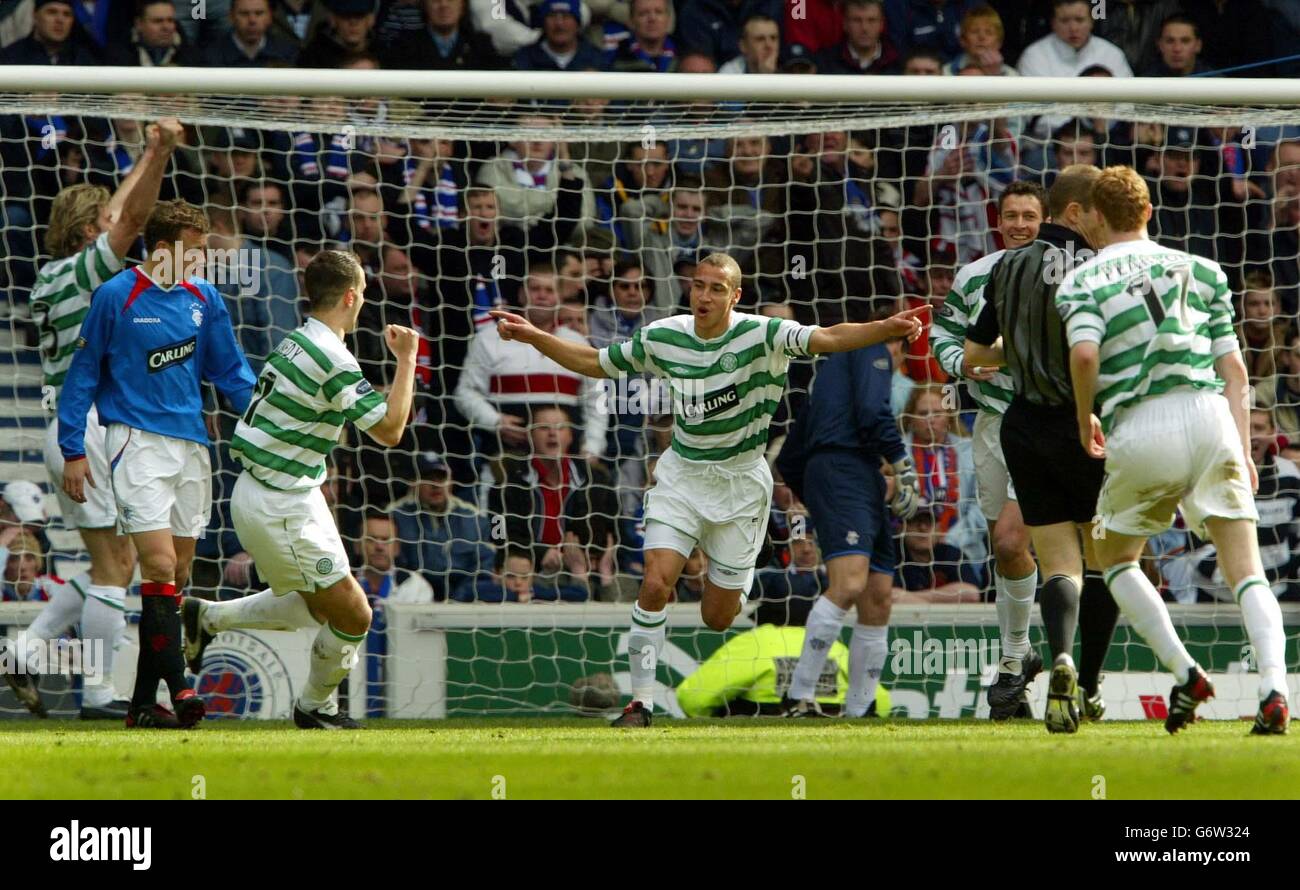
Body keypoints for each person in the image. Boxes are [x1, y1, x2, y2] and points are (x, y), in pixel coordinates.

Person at [488, 251, 926, 727]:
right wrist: (533, 335)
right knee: (656, 582)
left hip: (741, 485)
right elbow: (595, 363)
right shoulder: (664, 335)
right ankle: (640, 704)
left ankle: (737, 581)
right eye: (699, 285)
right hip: (683, 475)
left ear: (735, 296)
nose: (705, 295)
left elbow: (829, 337)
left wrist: (885, 328)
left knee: (718, 616)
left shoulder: (764, 333)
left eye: (717, 288)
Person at [1058, 164, 1290, 735]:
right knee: (1247, 572)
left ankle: (1186, 674)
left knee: (1113, 558)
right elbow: (1235, 372)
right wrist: (1240, 441)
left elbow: (1085, 356)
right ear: (1148, 212)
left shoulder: (1082, 281)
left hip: (1141, 423)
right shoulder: (1204, 270)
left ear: (1092, 218)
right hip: (1210, 416)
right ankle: (1275, 690)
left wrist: (1086, 412)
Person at [181, 250, 420, 729]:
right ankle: (316, 708)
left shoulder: (297, 339)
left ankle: (206, 617)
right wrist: (407, 359)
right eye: (365, 295)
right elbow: (391, 429)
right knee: (354, 615)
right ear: (351, 297)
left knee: (321, 605)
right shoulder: (332, 357)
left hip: (288, 492)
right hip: (279, 501)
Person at [59, 199, 256, 729]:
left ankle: (144, 703)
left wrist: (270, 422)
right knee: (160, 566)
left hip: (192, 446)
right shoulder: (115, 296)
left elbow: (231, 373)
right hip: (134, 442)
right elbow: (81, 376)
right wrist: (73, 450)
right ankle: (183, 686)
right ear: (163, 247)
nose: (201, 262)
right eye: (194, 251)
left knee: (180, 573)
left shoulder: (205, 298)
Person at [21, 119, 183, 722]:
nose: (117, 232)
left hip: (74, 421)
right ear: (90, 231)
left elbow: (120, 217)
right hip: (82, 424)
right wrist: (160, 154)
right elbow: (132, 221)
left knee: (112, 561)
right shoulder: (86, 272)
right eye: (105, 225)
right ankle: (95, 695)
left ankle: (22, 652)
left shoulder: (53, 277)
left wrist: (145, 152)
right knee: (116, 565)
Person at [964, 165, 1120, 734]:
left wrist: (1019, 350)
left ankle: (1058, 656)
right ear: (1079, 212)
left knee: (1057, 563)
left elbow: (974, 357)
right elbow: (1105, 349)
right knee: (1104, 562)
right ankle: (1092, 686)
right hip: (1088, 428)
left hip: (1023, 427)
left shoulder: (1008, 266)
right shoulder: (1105, 268)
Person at [929, 180, 1045, 719]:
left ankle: (1014, 667)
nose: (1020, 223)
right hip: (992, 423)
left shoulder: (1061, 273)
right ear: (997, 221)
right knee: (1008, 551)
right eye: (1012, 215)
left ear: (1046, 220)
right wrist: (960, 364)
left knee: (1011, 538)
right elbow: (942, 335)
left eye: (1029, 215)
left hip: (1045, 421)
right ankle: (1017, 664)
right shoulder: (975, 275)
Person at [774, 310, 920, 719]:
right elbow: (873, 412)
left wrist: (820, 495)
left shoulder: (831, 370)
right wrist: (901, 464)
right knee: (851, 582)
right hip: (848, 470)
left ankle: (860, 711)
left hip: (853, 477)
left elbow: (790, 454)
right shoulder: (871, 348)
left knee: (878, 596)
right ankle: (800, 694)